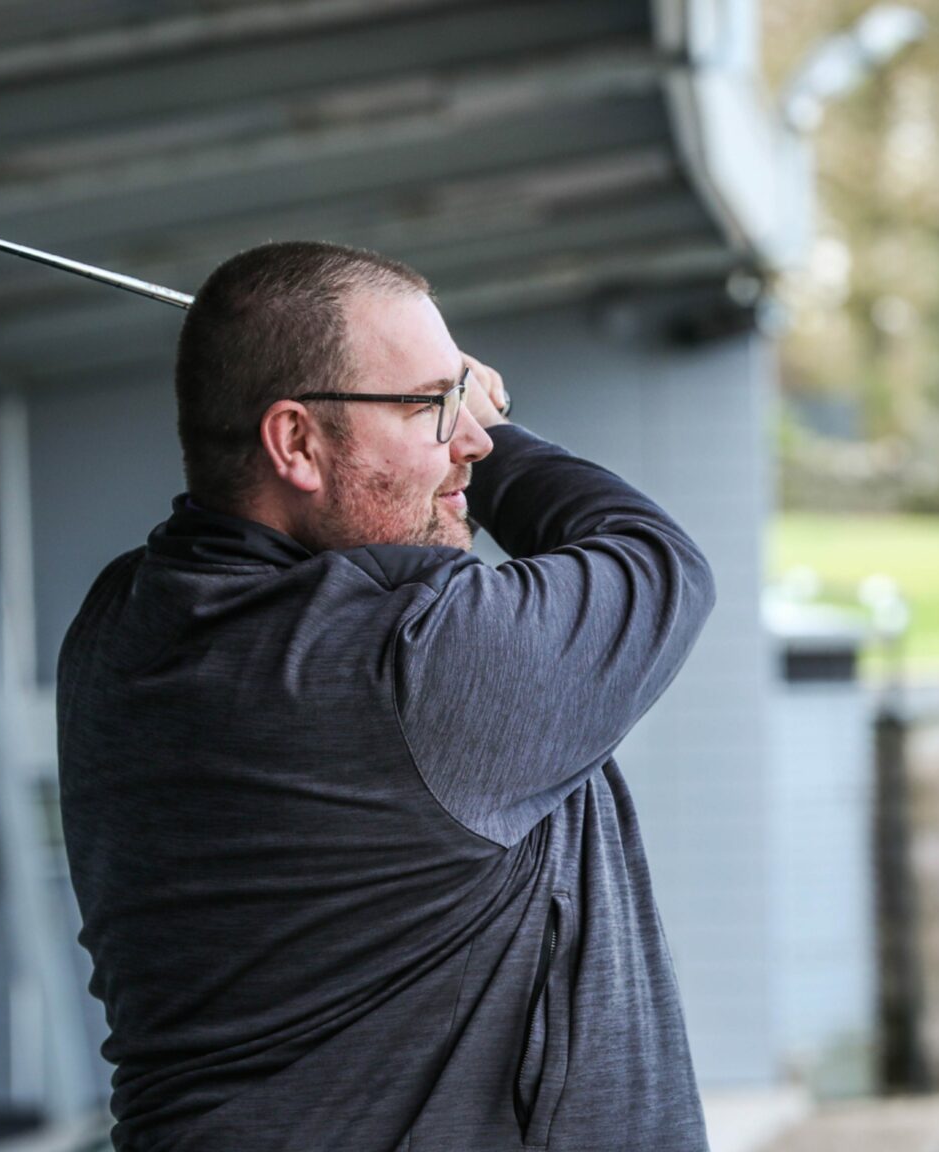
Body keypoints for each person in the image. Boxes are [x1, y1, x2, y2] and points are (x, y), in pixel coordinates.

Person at [57, 241, 716, 1151]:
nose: (473, 443)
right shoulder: (408, 666)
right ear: (295, 442)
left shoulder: (117, 624)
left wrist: (432, 403)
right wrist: (503, 425)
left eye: (463, 406)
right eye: (431, 409)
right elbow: (654, 559)